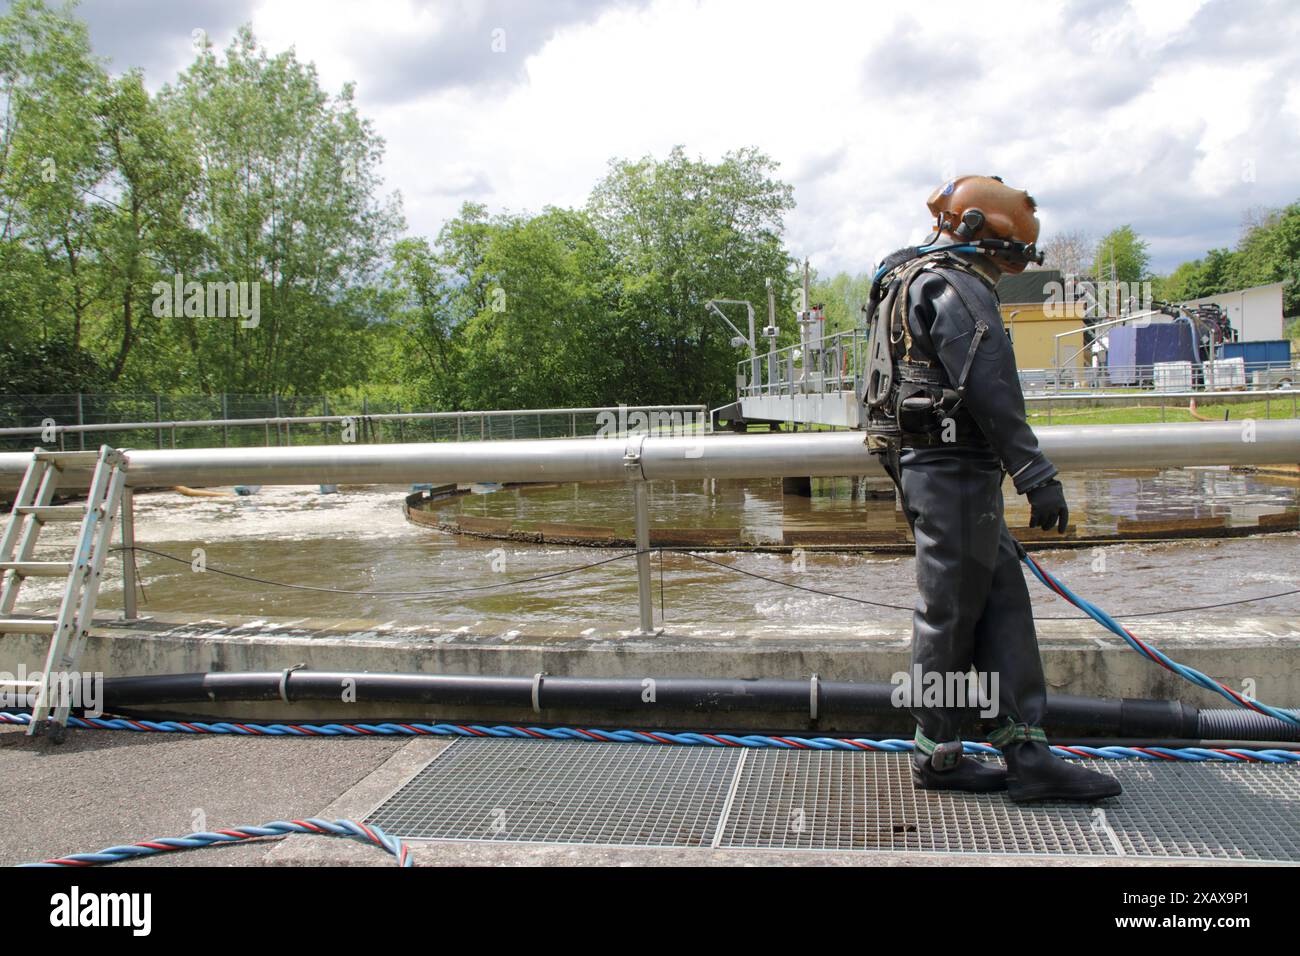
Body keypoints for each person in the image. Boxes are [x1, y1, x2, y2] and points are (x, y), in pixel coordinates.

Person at [864, 175, 1122, 802]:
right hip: (951, 471)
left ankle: (1024, 750)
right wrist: (1036, 476)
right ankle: (938, 754)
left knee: (1001, 602)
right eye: (1017, 254)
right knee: (949, 615)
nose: (1016, 267)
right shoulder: (954, 285)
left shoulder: (902, 277)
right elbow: (990, 387)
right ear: (987, 236)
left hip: (941, 472)